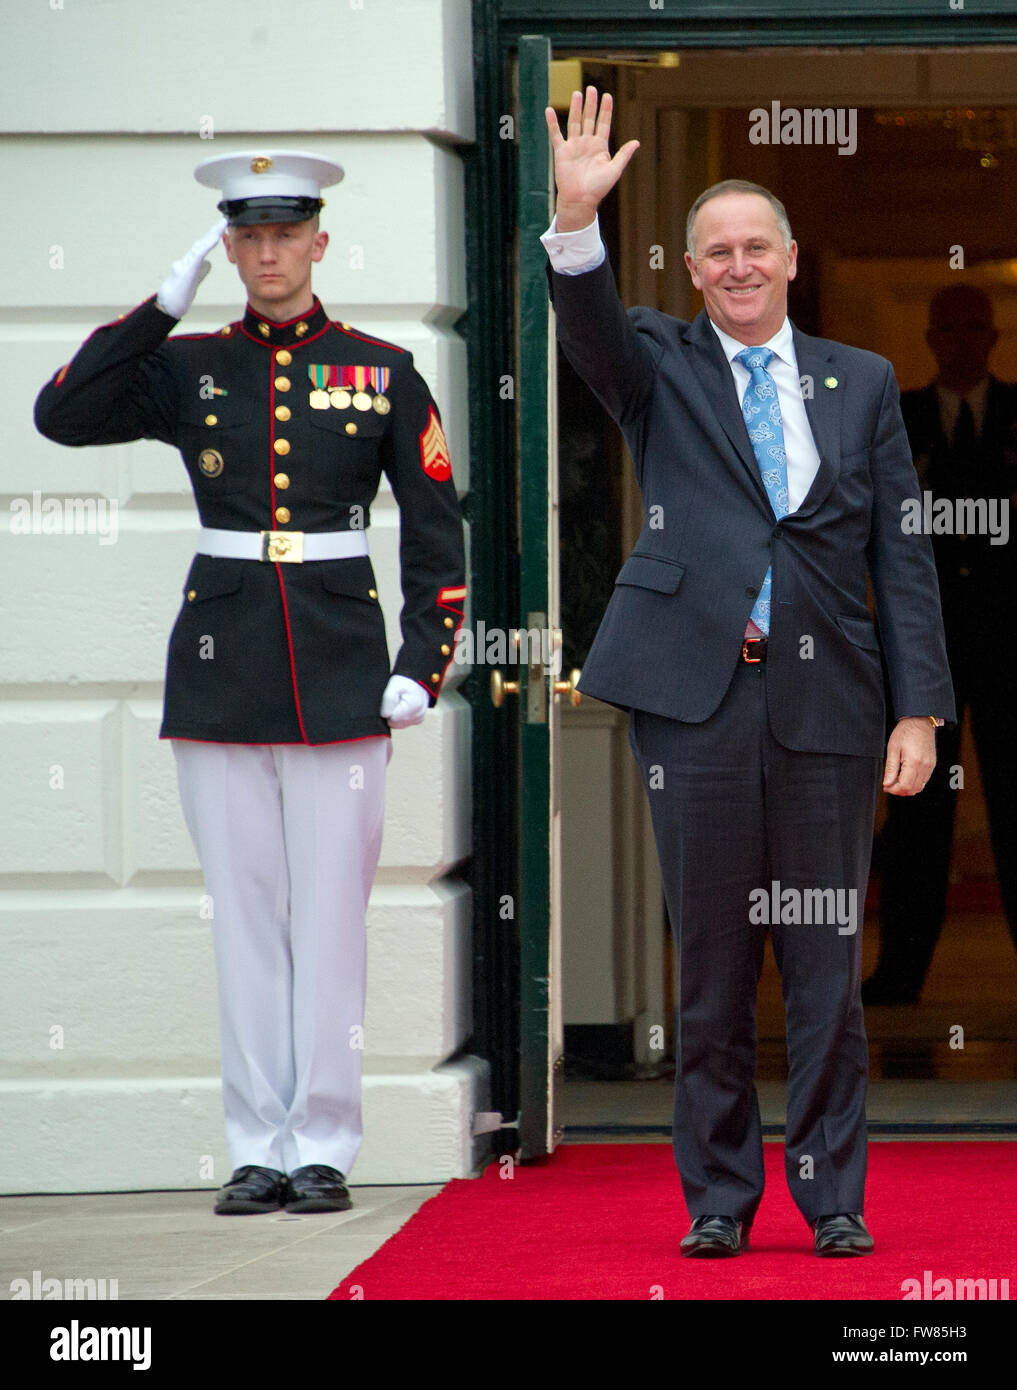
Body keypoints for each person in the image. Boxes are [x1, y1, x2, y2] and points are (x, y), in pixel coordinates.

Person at [542, 89, 954, 1257]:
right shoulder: (658, 365)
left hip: (829, 704)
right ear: (690, 265)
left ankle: (832, 1199)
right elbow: (589, 331)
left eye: (755, 247)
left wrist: (920, 707)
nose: (736, 266)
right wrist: (577, 222)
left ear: (787, 259)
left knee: (827, 969)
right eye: (715, 250)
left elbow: (901, 553)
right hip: (699, 704)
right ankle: (720, 1200)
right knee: (714, 969)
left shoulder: (862, 379)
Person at [34, 151, 466, 1215]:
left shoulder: (380, 365)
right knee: (246, 917)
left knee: (329, 919)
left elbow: (436, 530)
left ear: (320, 241)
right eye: (247, 235)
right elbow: (62, 411)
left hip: (341, 669)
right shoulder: (187, 365)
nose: (268, 252)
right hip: (222, 666)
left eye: (287, 233)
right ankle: (255, 1145)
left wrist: (423, 664)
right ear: (227, 247)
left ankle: (322, 1142)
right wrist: (155, 308)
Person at [865, 286, 1017, 1004]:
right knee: (917, 812)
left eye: (971, 328)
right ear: (928, 338)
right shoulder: (902, 417)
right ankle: (900, 975)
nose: (959, 340)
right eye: (946, 328)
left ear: (991, 338)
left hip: (1011, 646)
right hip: (925, 644)